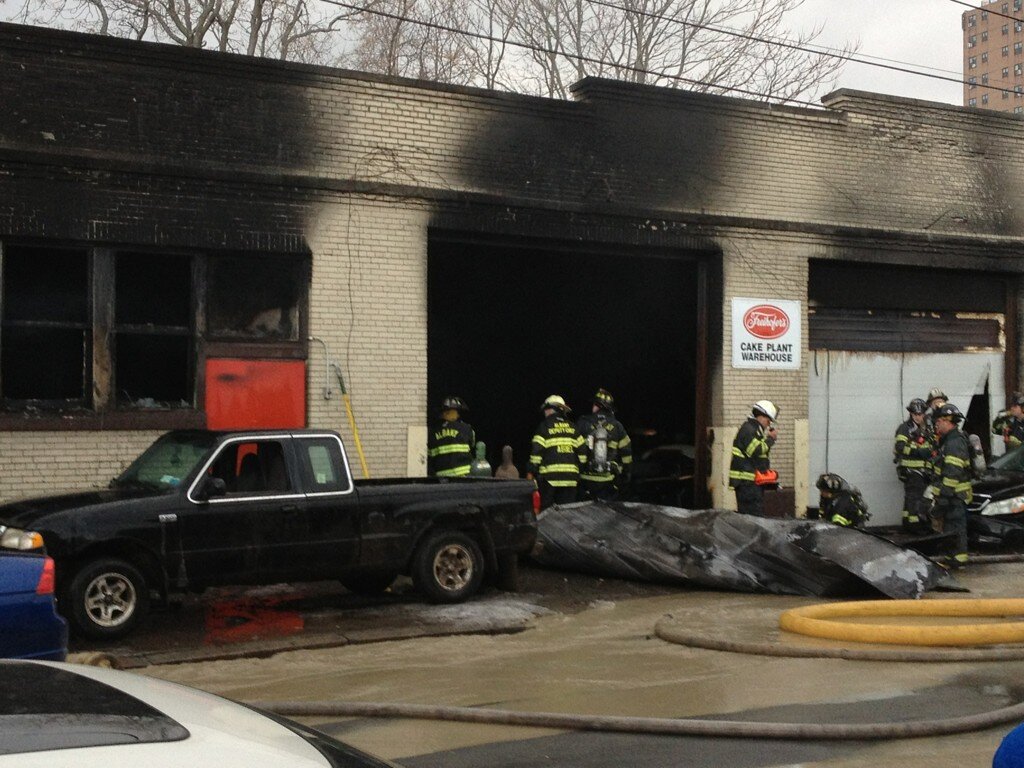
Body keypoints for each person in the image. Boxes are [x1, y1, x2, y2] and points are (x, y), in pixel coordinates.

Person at [928, 402, 972, 569]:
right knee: (950, 528)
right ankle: (951, 559)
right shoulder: (948, 441)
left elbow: (952, 474)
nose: (936, 424)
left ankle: (958, 561)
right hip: (950, 495)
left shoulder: (954, 442)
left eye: (939, 421)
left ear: (948, 421)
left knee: (956, 528)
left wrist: (944, 497)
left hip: (955, 496)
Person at [528, 394, 586, 509]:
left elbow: (536, 455)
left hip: (549, 481)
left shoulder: (544, 427)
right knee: (567, 516)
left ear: (550, 409)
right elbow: (583, 456)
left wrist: (531, 471)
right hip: (570, 481)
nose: (545, 413)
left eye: (546, 409)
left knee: (547, 516)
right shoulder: (573, 428)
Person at [575, 388, 633, 501]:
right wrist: (626, 474)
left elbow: (573, 449)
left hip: (585, 481)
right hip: (607, 481)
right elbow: (626, 453)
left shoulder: (582, 422)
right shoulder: (617, 426)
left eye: (594, 404)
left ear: (598, 405)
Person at [728, 400, 779, 517]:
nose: (769, 424)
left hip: (751, 483)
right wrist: (770, 439)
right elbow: (756, 450)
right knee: (753, 517)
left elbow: (760, 457)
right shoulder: (749, 429)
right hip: (747, 484)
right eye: (768, 420)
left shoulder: (754, 430)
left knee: (754, 516)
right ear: (761, 416)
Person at [893, 398, 935, 532]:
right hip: (911, 470)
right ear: (911, 414)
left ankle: (907, 522)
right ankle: (914, 526)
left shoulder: (928, 428)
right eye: (915, 414)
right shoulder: (905, 428)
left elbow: (933, 445)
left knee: (913, 498)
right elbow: (900, 447)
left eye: (921, 414)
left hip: (925, 471)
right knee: (915, 498)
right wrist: (919, 451)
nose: (918, 417)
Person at [426, 396, 475, 478]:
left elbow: (429, 457)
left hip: (442, 479)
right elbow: (472, 445)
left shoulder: (431, 432)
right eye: (456, 412)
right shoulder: (466, 429)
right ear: (447, 412)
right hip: (464, 477)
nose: (458, 415)